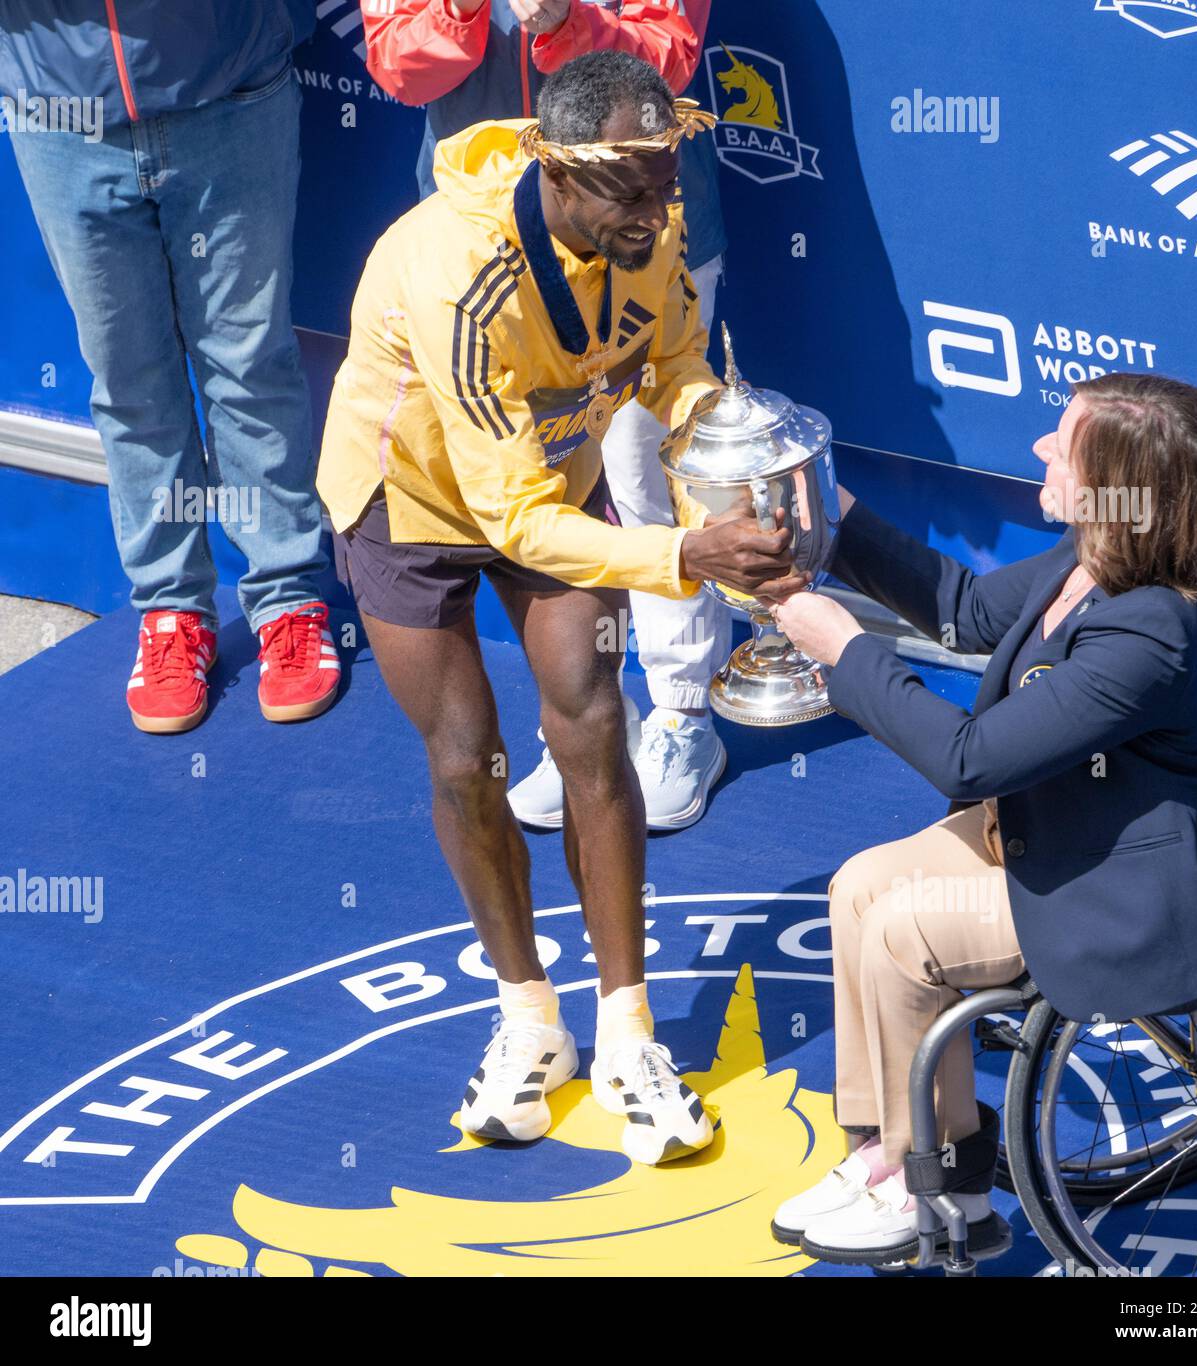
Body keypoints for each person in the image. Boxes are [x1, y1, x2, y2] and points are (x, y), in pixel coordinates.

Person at [316, 51, 802, 1164]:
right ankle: (528, 1014)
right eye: (630, 189)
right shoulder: (455, 272)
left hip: (553, 477)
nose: (656, 209)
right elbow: (514, 519)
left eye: (665, 181)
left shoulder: (650, 223)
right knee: (465, 759)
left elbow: (671, 370)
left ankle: (628, 1032)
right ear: (557, 171)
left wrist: (729, 449)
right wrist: (687, 548)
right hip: (410, 504)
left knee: (590, 721)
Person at [764, 373, 1197, 1263]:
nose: (1041, 452)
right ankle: (884, 1150)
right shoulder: (1085, 562)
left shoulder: (1150, 631)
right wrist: (827, 507)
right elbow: (965, 612)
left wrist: (847, 652)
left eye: (1064, 445)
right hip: (1058, 824)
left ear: (1119, 485)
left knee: (903, 936)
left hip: (1126, 880)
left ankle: (938, 1182)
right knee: (860, 886)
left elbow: (966, 758)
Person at [359, 0, 733, 830]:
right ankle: (582, 722)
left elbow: (667, 64)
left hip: (640, 228)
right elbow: (398, 62)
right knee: (531, 479)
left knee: (648, 468)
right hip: (485, 245)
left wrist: (565, 22)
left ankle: (682, 712)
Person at [1, 0, 341, 734]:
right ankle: (171, 613)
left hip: (230, 96)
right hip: (60, 117)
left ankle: (287, 602)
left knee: (250, 364)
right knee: (129, 380)